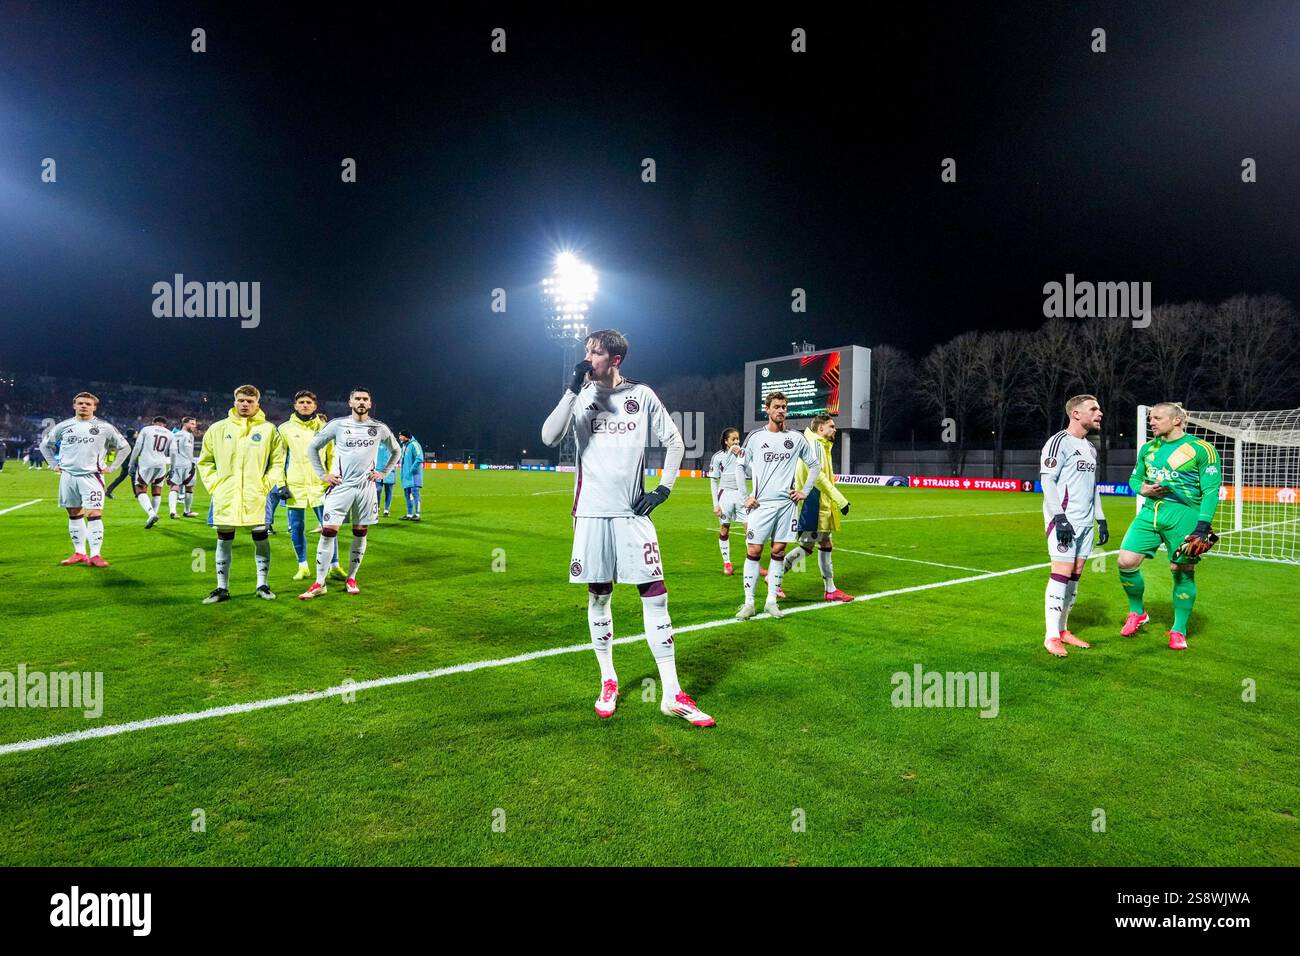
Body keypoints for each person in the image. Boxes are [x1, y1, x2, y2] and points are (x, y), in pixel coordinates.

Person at [541, 328, 713, 727]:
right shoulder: (581, 396)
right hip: (591, 514)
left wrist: (664, 489)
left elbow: (675, 442)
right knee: (599, 597)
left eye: (595, 353)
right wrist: (569, 391)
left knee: (655, 597)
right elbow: (548, 437)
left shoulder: (642, 396)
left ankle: (672, 693)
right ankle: (608, 679)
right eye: (586, 351)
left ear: (615, 360)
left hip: (633, 515)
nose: (586, 359)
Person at [1116, 402, 1221, 651]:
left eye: (1157, 418)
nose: (1151, 422)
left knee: (1181, 569)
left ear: (1176, 420)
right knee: (1126, 561)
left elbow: (1211, 490)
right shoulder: (1148, 449)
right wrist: (1142, 488)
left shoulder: (1201, 449)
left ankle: (1178, 629)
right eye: (1150, 418)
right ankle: (1137, 612)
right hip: (1150, 512)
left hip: (1184, 515)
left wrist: (1203, 525)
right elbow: (1135, 477)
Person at [298, 388, 400, 600]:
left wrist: (383, 473)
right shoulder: (338, 425)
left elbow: (396, 450)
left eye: (365, 399)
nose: (361, 402)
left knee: (360, 532)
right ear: (350, 402)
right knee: (328, 531)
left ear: (370, 403)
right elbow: (312, 448)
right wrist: (322, 474)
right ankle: (319, 582)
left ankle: (351, 578)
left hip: (366, 488)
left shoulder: (378, 428)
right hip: (340, 487)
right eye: (357, 399)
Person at [196, 385, 287, 603]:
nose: (245, 404)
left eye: (250, 401)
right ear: (234, 401)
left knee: (261, 538)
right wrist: (215, 486)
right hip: (225, 495)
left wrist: (265, 485)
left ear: (258, 403)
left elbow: (277, 462)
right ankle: (222, 588)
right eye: (241, 400)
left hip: (257, 495)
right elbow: (205, 462)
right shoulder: (217, 429)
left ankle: (262, 584)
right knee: (224, 540)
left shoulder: (268, 430)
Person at [735, 391, 821, 620]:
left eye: (784, 406)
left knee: (778, 551)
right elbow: (739, 467)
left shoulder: (796, 438)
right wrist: (745, 496)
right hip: (761, 505)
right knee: (753, 551)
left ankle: (771, 602)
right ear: (767, 409)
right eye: (777, 406)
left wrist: (804, 491)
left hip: (786, 505)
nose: (781, 410)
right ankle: (749, 603)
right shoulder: (755, 437)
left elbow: (814, 465)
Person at [1039, 395, 1108, 657]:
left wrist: (1100, 518)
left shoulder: (1090, 448)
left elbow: (1093, 488)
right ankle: (1051, 636)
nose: (1099, 413)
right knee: (1061, 572)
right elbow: (1047, 482)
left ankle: (1064, 630)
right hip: (1064, 521)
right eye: (1094, 409)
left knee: (1076, 575)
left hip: (1085, 523)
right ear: (1076, 414)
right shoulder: (1058, 442)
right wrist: (1059, 517)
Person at [39, 392, 129, 567]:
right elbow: (44, 445)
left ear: (94, 407)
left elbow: (125, 447)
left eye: (88, 404)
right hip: (68, 476)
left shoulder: (104, 427)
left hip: (92, 476)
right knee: (74, 514)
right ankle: (80, 552)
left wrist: (113, 467)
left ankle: (95, 555)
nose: (84, 406)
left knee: (94, 514)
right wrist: (52, 464)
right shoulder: (64, 426)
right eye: (80, 403)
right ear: (74, 405)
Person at [779, 413, 854, 602]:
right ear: (820, 429)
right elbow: (818, 476)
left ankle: (830, 589)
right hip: (815, 503)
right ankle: (776, 577)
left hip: (818, 502)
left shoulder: (817, 444)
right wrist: (840, 499)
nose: (835, 430)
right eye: (832, 426)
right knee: (808, 545)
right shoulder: (816, 445)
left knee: (823, 543)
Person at [277, 391, 344, 582]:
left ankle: (335, 566)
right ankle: (303, 566)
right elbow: (278, 459)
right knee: (296, 527)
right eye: (301, 402)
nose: (305, 405)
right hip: (295, 486)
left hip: (320, 486)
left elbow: (332, 456)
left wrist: (332, 478)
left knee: (329, 528)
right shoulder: (284, 429)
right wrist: (280, 484)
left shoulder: (326, 428)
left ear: (315, 406)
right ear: (295, 405)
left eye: (308, 402)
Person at [707, 427, 746, 575]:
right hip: (725, 495)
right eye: (733, 439)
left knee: (750, 529)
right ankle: (727, 563)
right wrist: (716, 504)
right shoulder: (718, 457)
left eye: (738, 439)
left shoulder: (743, 454)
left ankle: (753, 562)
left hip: (741, 495)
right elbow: (713, 481)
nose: (737, 441)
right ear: (726, 441)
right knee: (725, 528)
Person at [125, 415, 173, 528]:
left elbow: (137, 446)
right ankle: (153, 515)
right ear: (165, 424)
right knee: (157, 491)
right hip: (161, 463)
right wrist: (172, 467)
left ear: (153, 422)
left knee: (140, 489)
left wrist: (131, 463)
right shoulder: (170, 433)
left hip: (146, 463)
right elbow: (173, 452)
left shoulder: (146, 429)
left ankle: (151, 514)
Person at [168, 416, 200, 518]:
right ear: (185, 423)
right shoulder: (188, 436)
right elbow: (187, 448)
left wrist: (172, 465)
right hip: (187, 464)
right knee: (189, 487)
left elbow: (171, 450)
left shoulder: (175, 434)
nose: (194, 426)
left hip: (176, 463)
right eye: (192, 424)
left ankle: (172, 511)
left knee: (174, 487)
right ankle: (187, 511)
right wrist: (193, 462)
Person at [103, 425, 138, 499]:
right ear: (133, 434)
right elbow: (128, 454)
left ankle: (108, 491)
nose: (137, 434)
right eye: (136, 433)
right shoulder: (131, 443)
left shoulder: (126, 441)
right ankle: (137, 494)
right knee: (134, 477)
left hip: (125, 462)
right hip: (129, 463)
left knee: (121, 478)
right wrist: (132, 464)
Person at [399, 430, 424, 520]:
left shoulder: (415, 444)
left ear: (406, 437)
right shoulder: (404, 446)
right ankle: (409, 514)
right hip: (406, 476)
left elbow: (419, 458)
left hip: (414, 476)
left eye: (401, 436)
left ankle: (417, 514)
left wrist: (412, 469)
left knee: (415, 494)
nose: (400, 438)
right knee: (407, 494)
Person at [376, 437, 397, 517]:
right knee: (378, 490)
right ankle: (377, 508)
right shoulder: (378, 444)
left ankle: (386, 510)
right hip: (378, 472)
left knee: (389, 492)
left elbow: (397, 455)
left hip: (389, 473)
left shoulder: (393, 446)